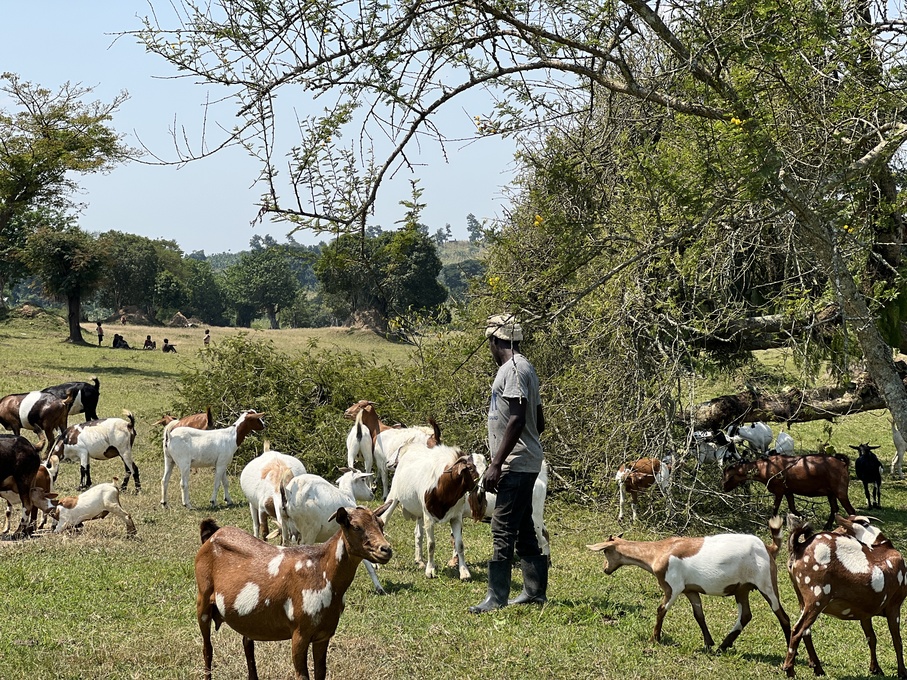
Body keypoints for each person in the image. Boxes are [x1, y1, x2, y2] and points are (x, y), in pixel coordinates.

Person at [469, 314, 548, 614]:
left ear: (494, 340)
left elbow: (517, 417)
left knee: (502, 527)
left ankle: (497, 596)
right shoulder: (526, 367)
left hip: (515, 463)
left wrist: (496, 463)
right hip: (525, 459)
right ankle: (534, 591)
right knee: (525, 525)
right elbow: (537, 420)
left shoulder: (512, 370)